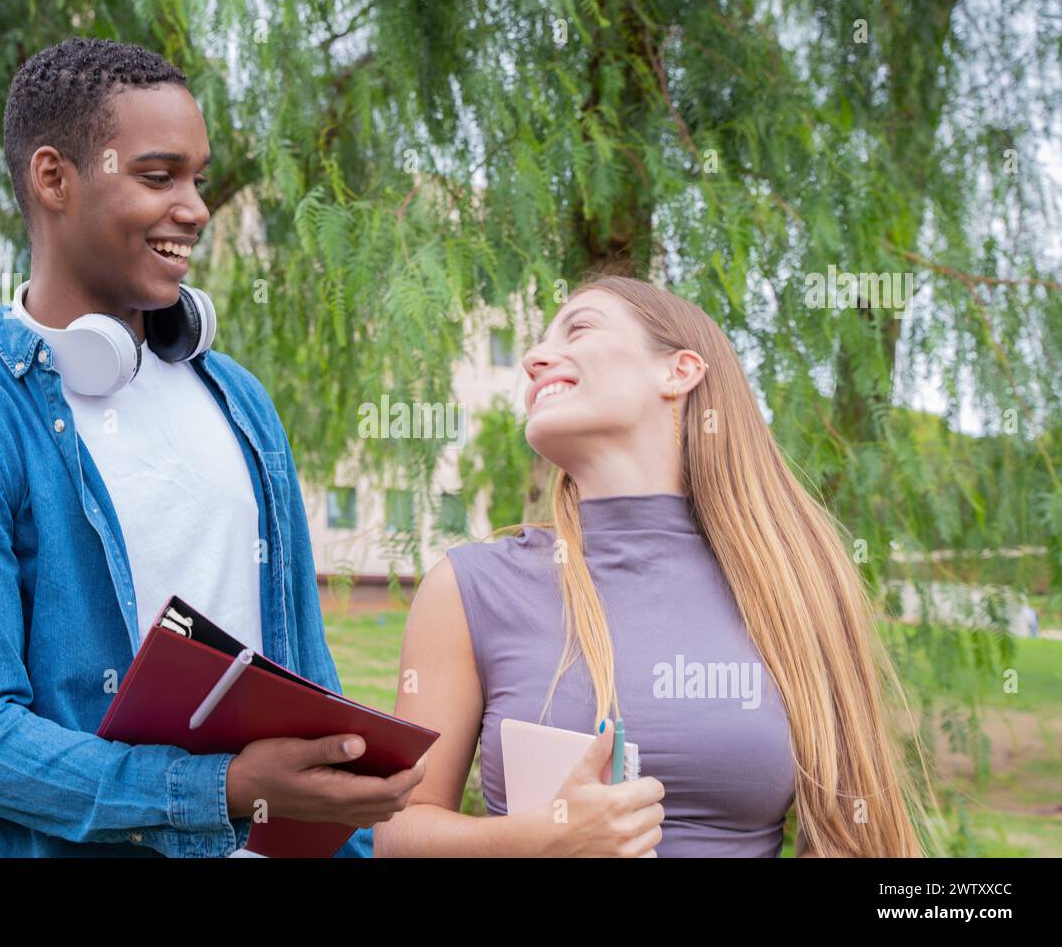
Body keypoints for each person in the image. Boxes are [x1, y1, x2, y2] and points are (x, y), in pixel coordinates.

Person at [0, 36, 423, 858]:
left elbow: (302, 662)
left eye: (198, 179)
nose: (198, 208)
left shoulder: (240, 401)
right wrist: (223, 792)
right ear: (54, 178)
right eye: (158, 176)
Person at [375, 274, 933, 857]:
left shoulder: (796, 580)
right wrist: (540, 840)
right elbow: (397, 834)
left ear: (679, 371)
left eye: (580, 328)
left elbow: (855, 839)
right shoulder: (468, 588)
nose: (536, 358)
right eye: (538, 344)